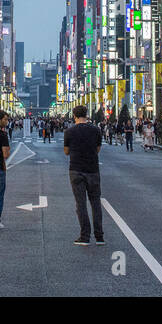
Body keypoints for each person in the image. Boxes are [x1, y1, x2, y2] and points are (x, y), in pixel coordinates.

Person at [63, 105, 104, 245]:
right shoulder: (96, 130)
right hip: (93, 169)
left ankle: (85, 236)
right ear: (86, 115)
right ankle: (99, 236)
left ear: (74, 116)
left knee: (81, 204)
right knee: (95, 202)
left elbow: (66, 151)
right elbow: (98, 148)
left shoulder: (69, 131)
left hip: (76, 169)